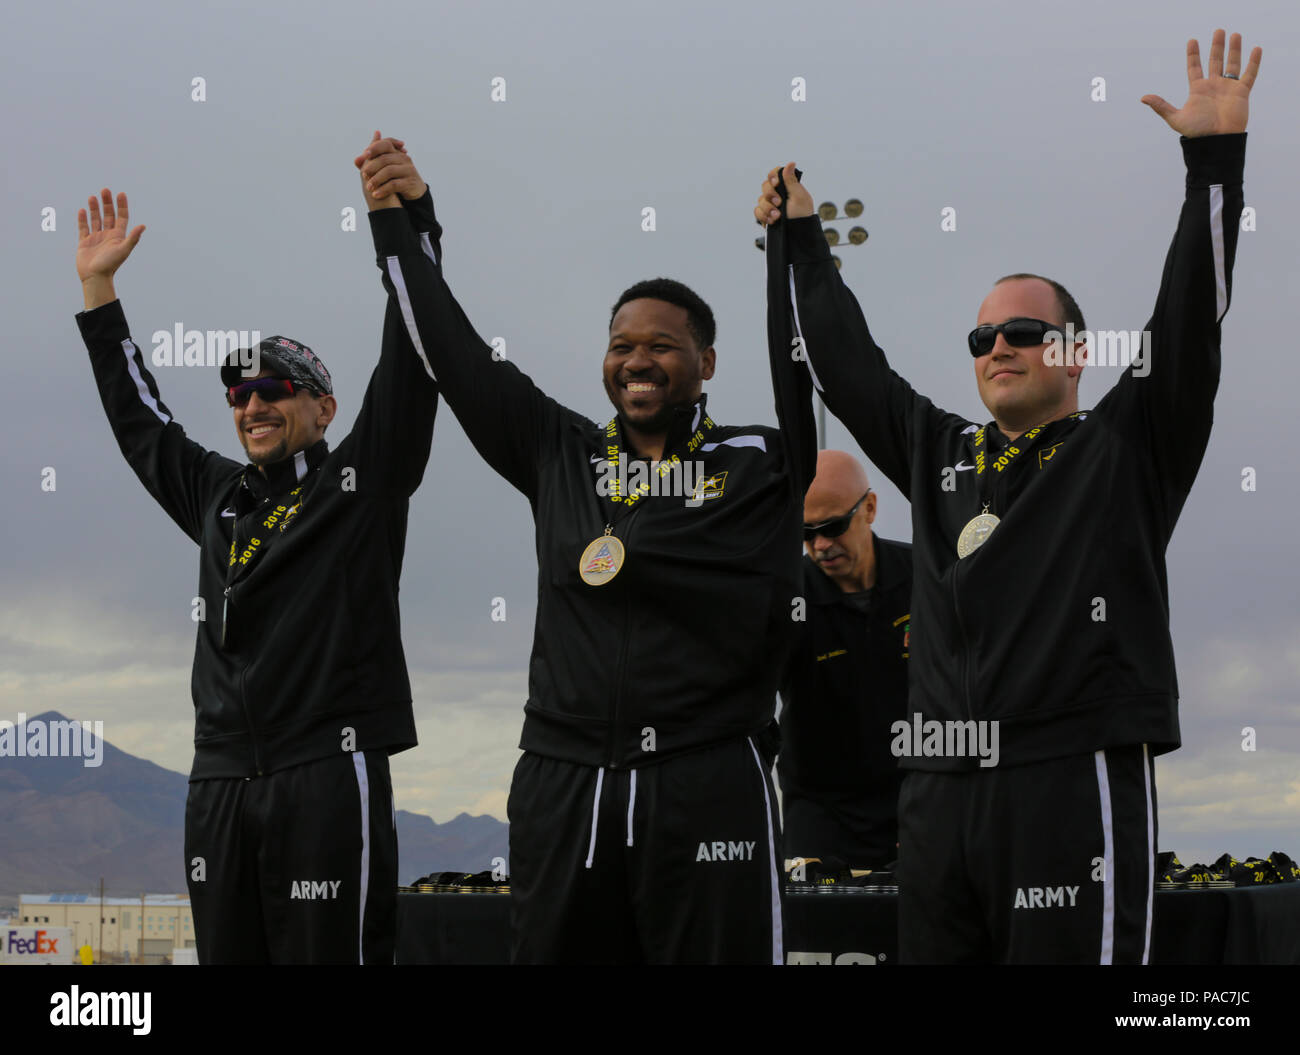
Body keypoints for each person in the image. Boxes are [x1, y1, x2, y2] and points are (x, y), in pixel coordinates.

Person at [756, 30, 1261, 963]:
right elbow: (848, 366)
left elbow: (1193, 316)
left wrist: (1212, 168)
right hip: (941, 787)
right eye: (982, 338)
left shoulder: (1125, 445)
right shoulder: (936, 448)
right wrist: (802, 241)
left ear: (1073, 351)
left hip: (1069, 775)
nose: (997, 348)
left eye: (1023, 331)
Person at [355, 137, 817, 963]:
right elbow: (452, 354)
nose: (638, 360)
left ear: (706, 363)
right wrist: (407, 224)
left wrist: (791, 246)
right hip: (563, 782)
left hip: (705, 781)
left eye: (663, 346)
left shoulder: (760, 462)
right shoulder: (559, 452)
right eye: (622, 344)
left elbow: (808, 368)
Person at [74, 132, 441, 963]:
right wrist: (100, 293)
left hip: (325, 770)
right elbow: (142, 423)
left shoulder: (363, 481)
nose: (252, 403)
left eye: (276, 387)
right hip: (218, 782)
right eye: (240, 391)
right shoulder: (217, 494)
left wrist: (412, 223)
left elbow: (416, 356)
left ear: (325, 407)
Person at [778, 450, 911, 872]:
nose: (821, 545)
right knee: (817, 929)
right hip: (821, 811)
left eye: (833, 526)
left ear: (869, 508)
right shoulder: (784, 598)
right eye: (806, 532)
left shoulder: (927, 577)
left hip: (915, 799)